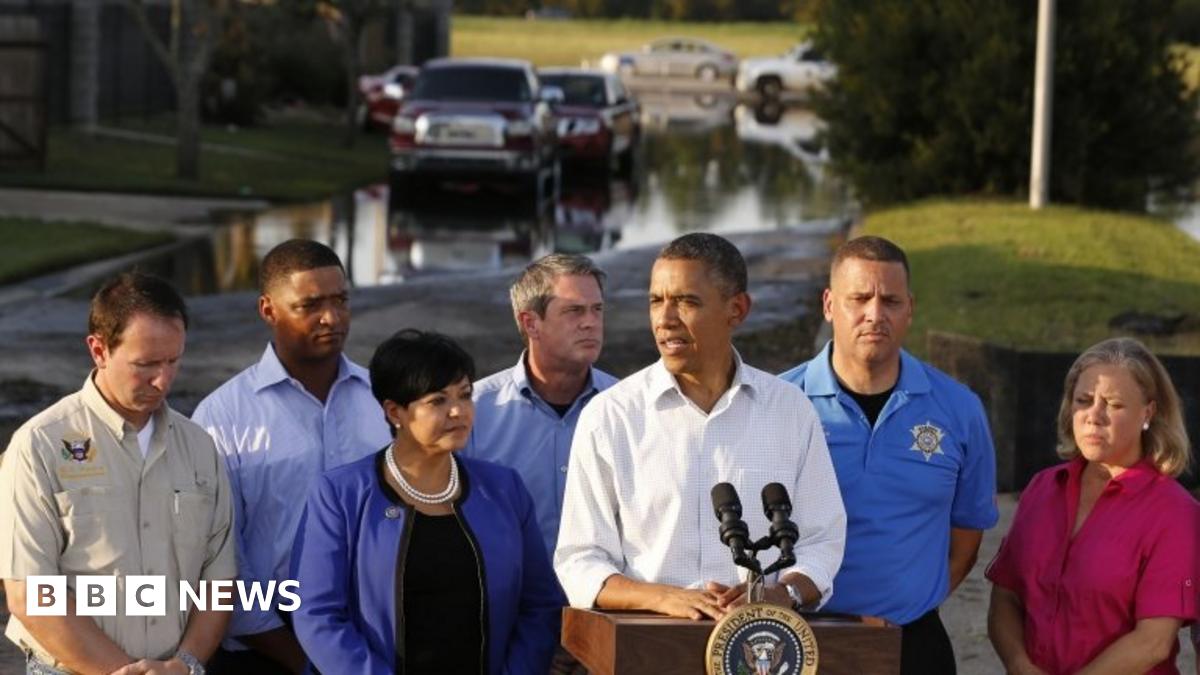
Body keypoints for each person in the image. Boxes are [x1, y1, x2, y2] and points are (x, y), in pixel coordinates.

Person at [554, 232, 846, 620]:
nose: (666, 319)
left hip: (760, 646)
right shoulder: (610, 416)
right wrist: (661, 598)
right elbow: (580, 560)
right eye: (657, 301)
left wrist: (784, 593)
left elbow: (823, 540)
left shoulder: (790, 410)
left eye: (687, 302)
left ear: (737, 309)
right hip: (646, 647)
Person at [778, 235, 998, 674]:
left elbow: (967, 538)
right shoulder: (778, 404)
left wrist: (909, 603)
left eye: (891, 301)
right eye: (859, 298)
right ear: (828, 304)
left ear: (910, 308)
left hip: (912, 643)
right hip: (801, 639)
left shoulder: (959, 409)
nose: (874, 314)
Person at [0, 272, 235, 675]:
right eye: (145, 365)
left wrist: (188, 664)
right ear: (99, 349)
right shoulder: (38, 445)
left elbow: (220, 581)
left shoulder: (200, 448)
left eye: (173, 361)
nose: (162, 380)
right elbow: (30, 593)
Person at [291, 329, 563, 675]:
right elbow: (317, 614)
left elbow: (539, 604)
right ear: (395, 412)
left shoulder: (503, 489)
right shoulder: (339, 494)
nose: (457, 412)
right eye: (438, 400)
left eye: (464, 396)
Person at [192, 239, 389, 673]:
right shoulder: (222, 416)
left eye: (341, 300)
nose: (332, 318)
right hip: (264, 651)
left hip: (373, 639)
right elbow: (220, 556)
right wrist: (299, 660)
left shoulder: (386, 401)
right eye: (310, 305)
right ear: (268, 310)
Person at [986, 337, 1198, 675]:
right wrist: (1018, 664)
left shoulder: (1175, 513)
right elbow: (1006, 597)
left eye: (1113, 404)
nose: (1093, 417)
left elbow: (1153, 642)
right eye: (1083, 400)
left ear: (1149, 411)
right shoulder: (1042, 489)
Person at [465, 253, 616, 557]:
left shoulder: (626, 406)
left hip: (605, 600)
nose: (590, 323)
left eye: (596, 309)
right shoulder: (474, 412)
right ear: (530, 323)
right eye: (574, 311)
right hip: (508, 599)